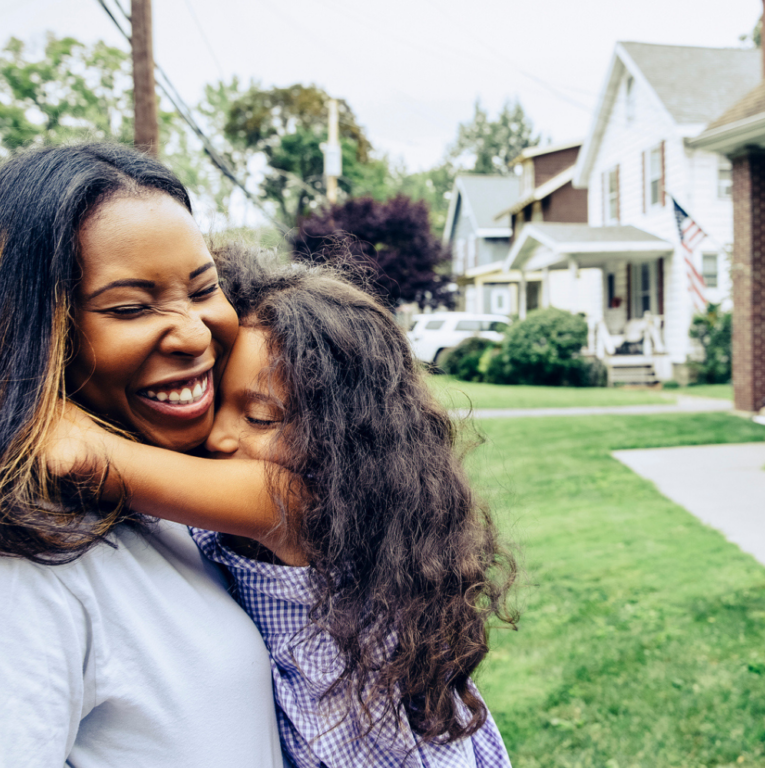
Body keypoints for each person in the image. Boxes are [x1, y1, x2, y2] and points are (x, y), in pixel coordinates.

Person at [0, 144, 284, 767]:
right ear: (33, 333)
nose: (195, 333)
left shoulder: (164, 481)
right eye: (130, 308)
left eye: (203, 289)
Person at [49, 246, 517, 767]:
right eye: (216, 400)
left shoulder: (295, 503)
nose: (220, 435)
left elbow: (79, 455)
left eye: (260, 418)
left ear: (341, 444)